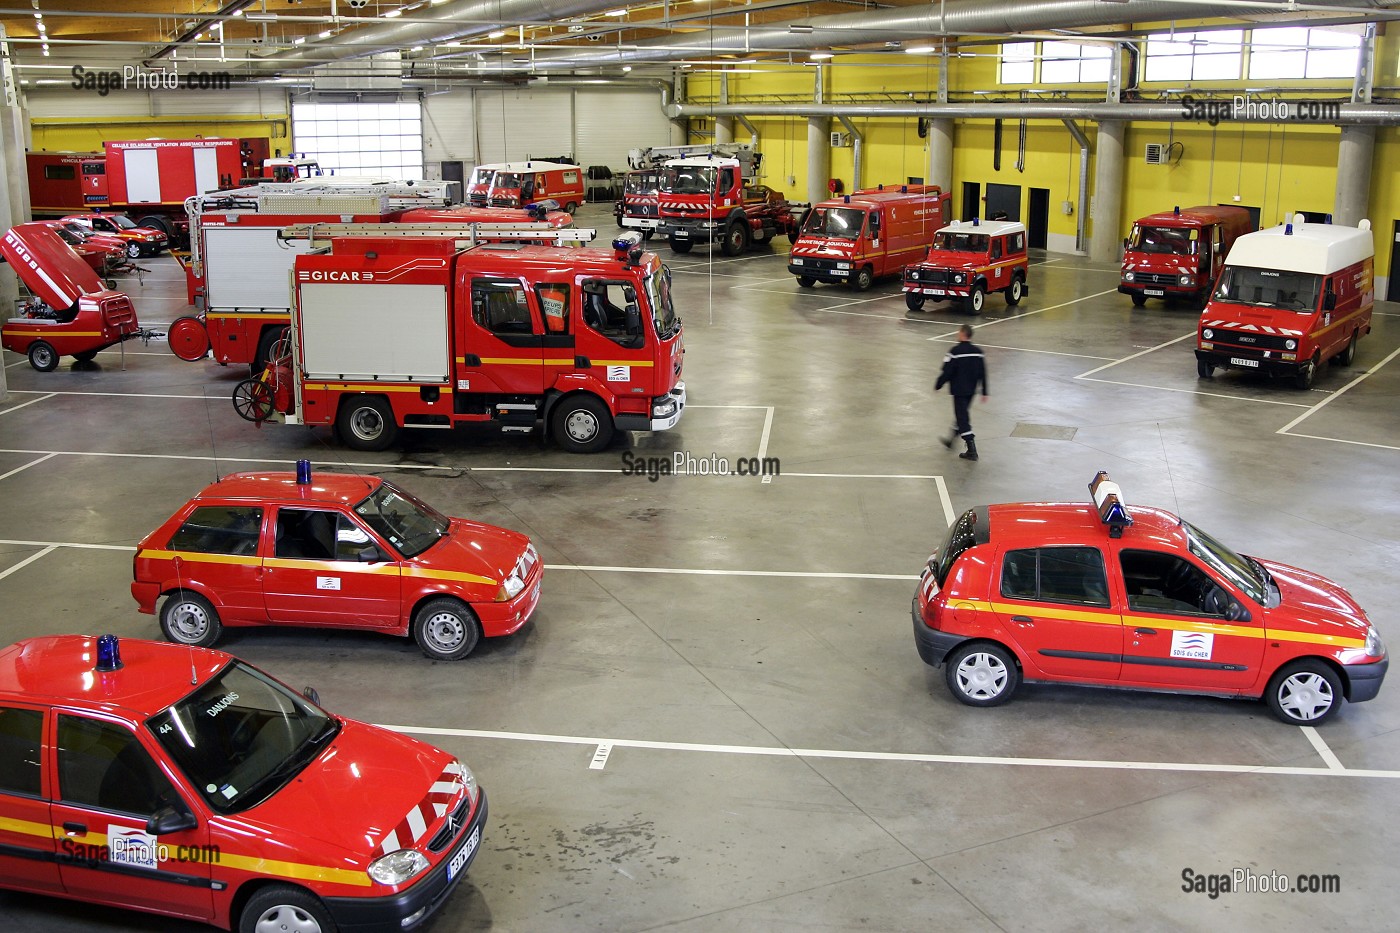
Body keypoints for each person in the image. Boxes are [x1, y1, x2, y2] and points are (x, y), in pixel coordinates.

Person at [935, 324, 988, 461]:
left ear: (962, 334)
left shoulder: (955, 352)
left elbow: (947, 371)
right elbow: (983, 372)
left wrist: (938, 384)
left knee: (962, 418)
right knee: (961, 415)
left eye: (958, 332)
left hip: (959, 390)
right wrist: (984, 391)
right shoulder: (978, 352)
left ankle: (971, 449)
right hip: (971, 390)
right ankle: (951, 440)